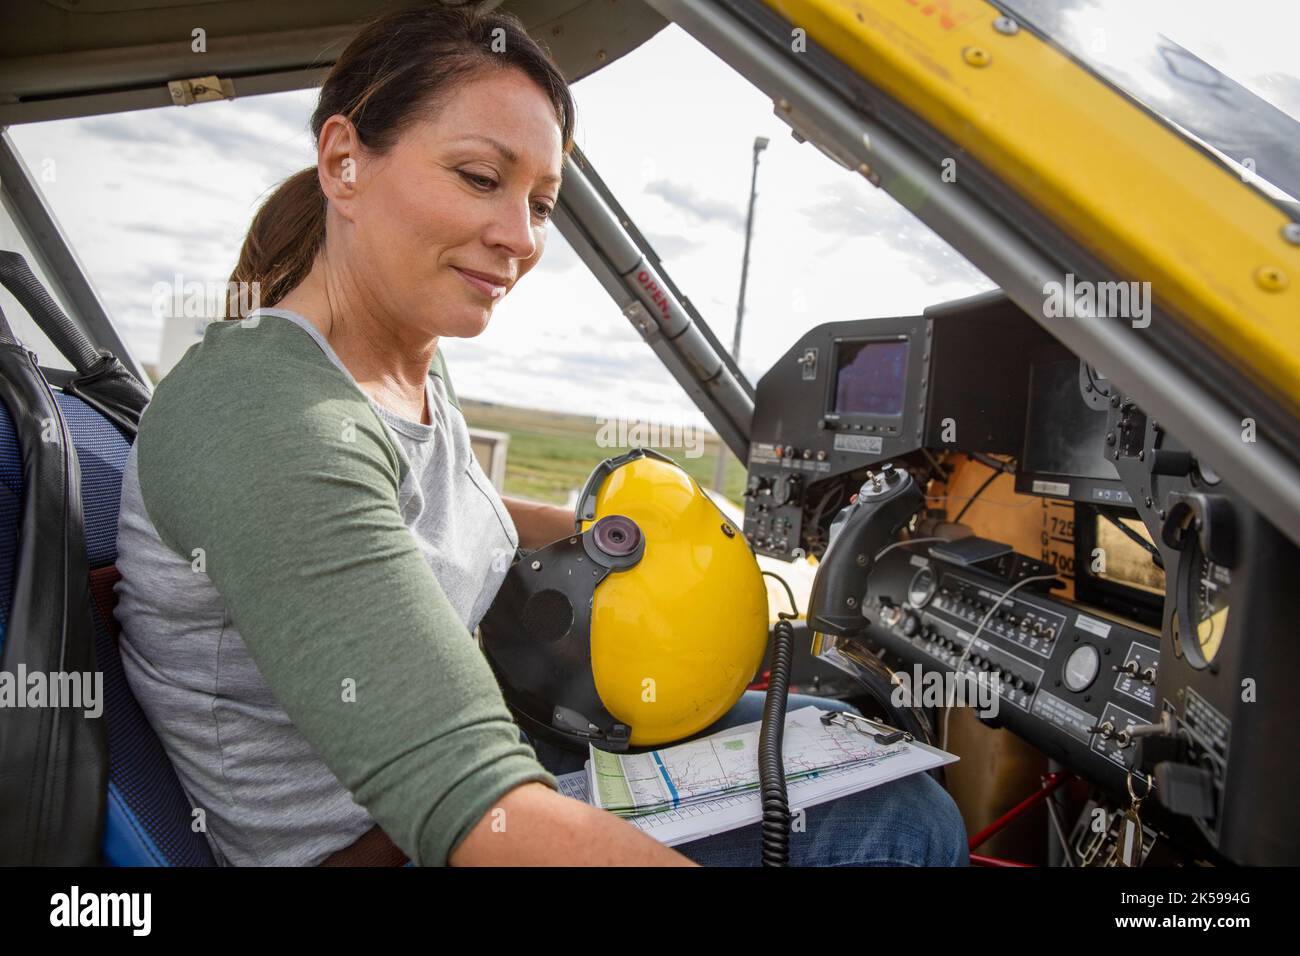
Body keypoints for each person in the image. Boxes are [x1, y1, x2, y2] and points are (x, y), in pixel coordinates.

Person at [113, 1, 967, 867]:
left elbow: (418, 513)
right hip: (389, 841)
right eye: (481, 178)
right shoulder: (269, 417)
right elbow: (475, 808)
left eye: (544, 203)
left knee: (834, 735)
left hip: (449, 789)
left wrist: (638, 536)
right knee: (897, 821)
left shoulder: (402, 366)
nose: (519, 238)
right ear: (344, 161)